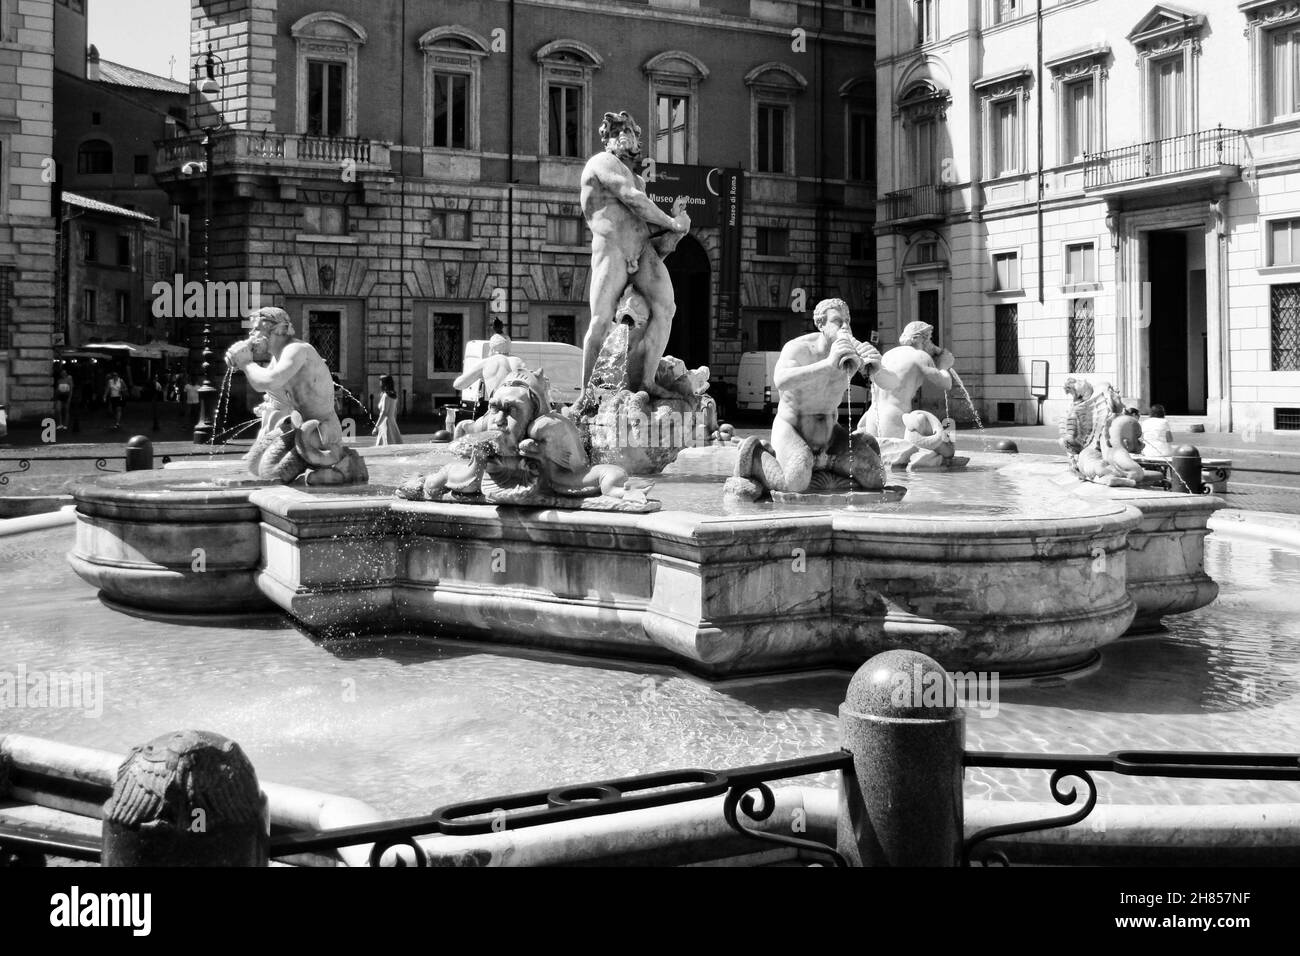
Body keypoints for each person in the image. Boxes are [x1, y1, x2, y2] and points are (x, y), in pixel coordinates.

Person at [579, 110, 690, 396]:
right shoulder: (602, 163)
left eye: (627, 130)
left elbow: (656, 239)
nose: (622, 135)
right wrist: (670, 222)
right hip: (612, 249)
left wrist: (678, 231)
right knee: (601, 321)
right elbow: (631, 198)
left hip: (642, 251)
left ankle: (646, 381)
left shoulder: (640, 180)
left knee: (666, 308)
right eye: (616, 132)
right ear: (608, 139)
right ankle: (587, 394)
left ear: (637, 139)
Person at [733, 298, 885, 494]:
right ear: (821, 324)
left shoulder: (852, 351)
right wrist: (828, 364)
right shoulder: (799, 348)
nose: (845, 326)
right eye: (838, 321)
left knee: (877, 478)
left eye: (848, 320)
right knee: (794, 483)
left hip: (831, 433)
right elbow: (781, 380)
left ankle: (829, 463)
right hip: (793, 427)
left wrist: (878, 369)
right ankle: (756, 457)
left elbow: (890, 385)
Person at [857, 321, 955, 440]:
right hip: (895, 418)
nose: (932, 344)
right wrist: (943, 365)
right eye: (929, 339)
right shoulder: (920, 356)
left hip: (872, 418)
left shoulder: (888, 354)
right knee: (940, 438)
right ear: (920, 339)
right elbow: (946, 384)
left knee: (880, 456)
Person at [454, 334, 525, 414]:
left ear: (492, 348)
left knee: (464, 426)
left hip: (498, 408)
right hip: (518, 408)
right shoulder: (519, 362)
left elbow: (458, 384)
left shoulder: (487, 362)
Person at [373, 374, 403, 446]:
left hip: (385, 423)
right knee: (394, 444)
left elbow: (384, 412)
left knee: (385, 446)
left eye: (381, 382)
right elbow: (395, 410)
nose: (379, 384)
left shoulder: (385, 395)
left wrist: (376, 427)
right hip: (392, 421)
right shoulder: (394, 395)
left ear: (384, 383)